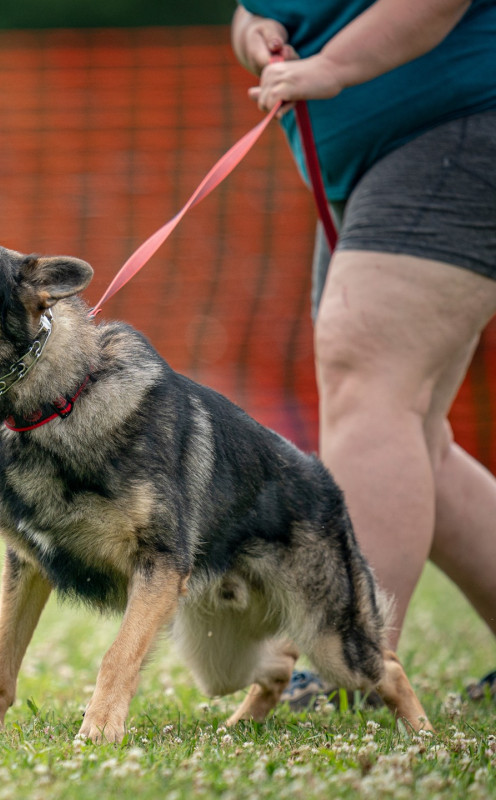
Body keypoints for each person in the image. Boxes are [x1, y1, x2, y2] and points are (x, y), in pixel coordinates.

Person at [230, 0, 496, 705]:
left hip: (457, 120)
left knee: (372, 388)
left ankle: (344, 663)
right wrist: (255, 35)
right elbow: (256, 8)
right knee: (408, 429)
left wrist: (333, 65)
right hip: (367, 159)